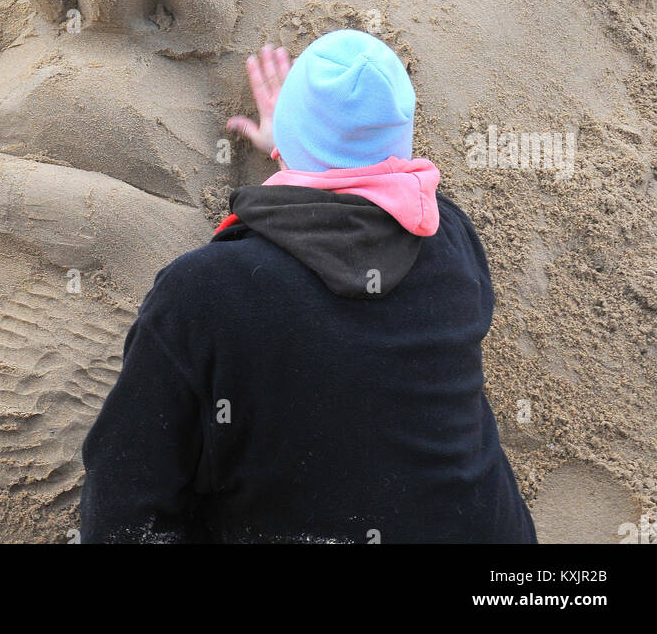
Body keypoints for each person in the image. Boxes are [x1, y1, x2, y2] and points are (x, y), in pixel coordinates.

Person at [77, 29, 537, 544]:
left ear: (291, 141)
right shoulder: (452, 241)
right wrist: (308, 151)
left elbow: (124, 501)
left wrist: (295, 145)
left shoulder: (203, 291)